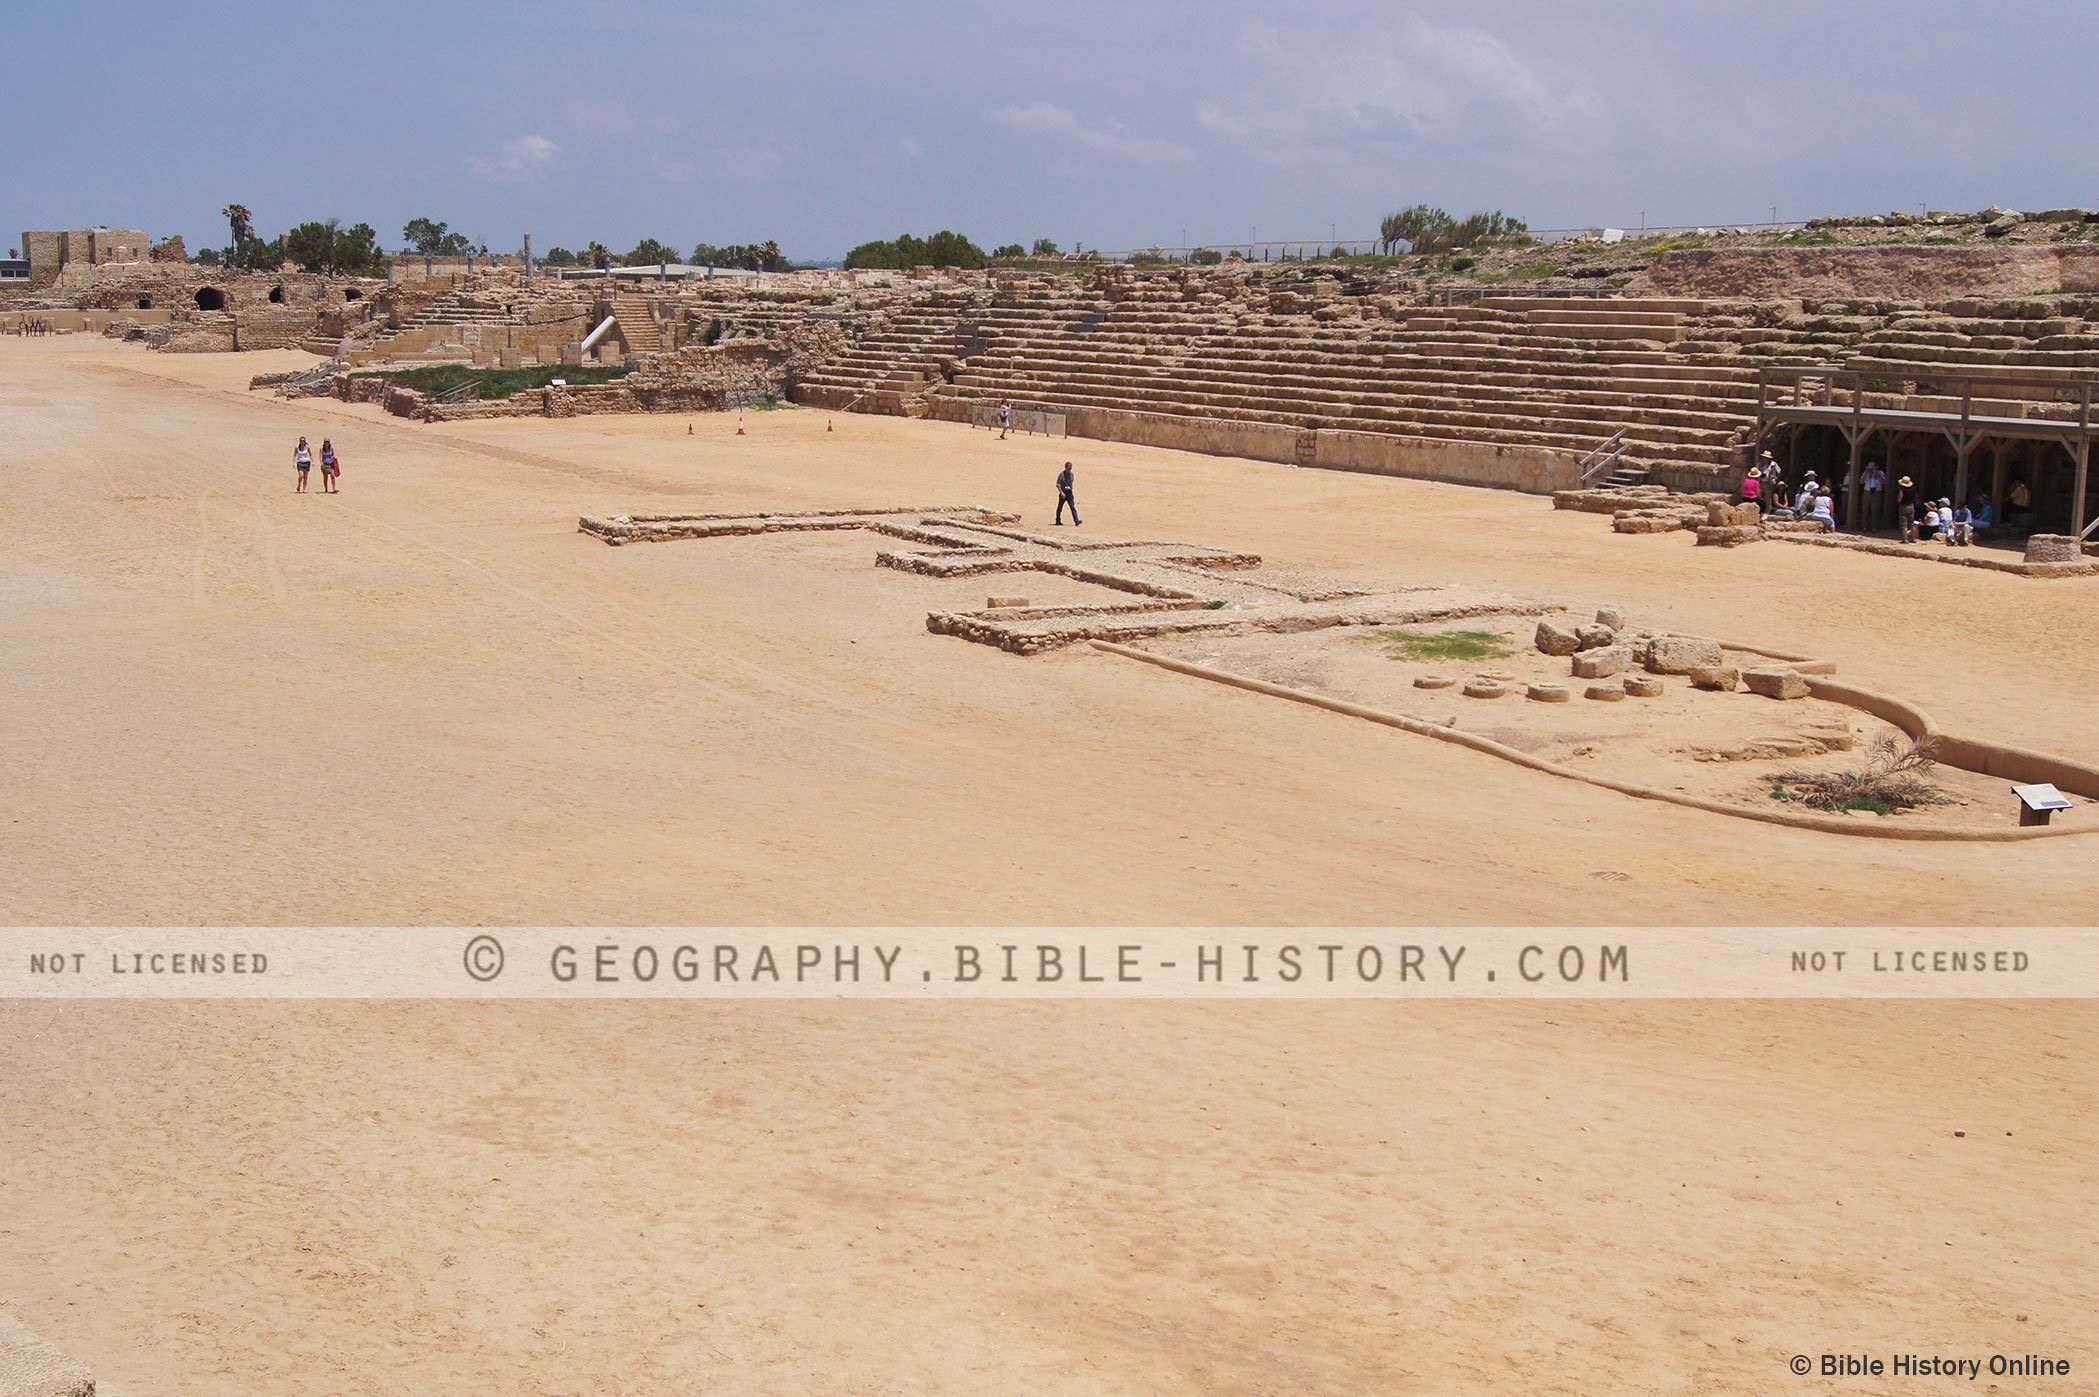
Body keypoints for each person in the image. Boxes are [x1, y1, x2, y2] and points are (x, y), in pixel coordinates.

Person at [1055, 461, 1082, 525]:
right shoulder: (1061, 475)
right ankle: (1058, 520)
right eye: (1069, 468)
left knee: (1072, 507)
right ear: (1065, 467)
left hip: (1069, 493)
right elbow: (1058, 485)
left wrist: (1071, 488)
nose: (1070, 469)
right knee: (1060, 507)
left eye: (1070, 468)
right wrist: (1061, 492)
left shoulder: (1071, 474)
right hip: (1063, 492)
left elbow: (1071, 482)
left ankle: (1076, 520)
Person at [1896, 474, 1921, 542]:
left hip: (1903, 506)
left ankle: (1905, 539)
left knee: (1904, 523)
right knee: (1911, 523)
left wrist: (1899, 502)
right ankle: (1913, 538)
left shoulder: (1902, 489)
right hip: (1911, 506)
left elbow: (1900, 498)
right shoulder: (1914, 489)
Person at [1862, 462, 1887, 531]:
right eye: (1870, 469)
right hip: (1867, 492)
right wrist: (1866, 474)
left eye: (1872, 469)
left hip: (1877, 493)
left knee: (1875, 510)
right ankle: (1864, 527)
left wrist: (1877, 475)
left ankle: (1874, 527)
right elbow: (1861, 481)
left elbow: (1883, 482)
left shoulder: (1880, 473)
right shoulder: (1866, 473)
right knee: (1865, 510)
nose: (1871, 470)